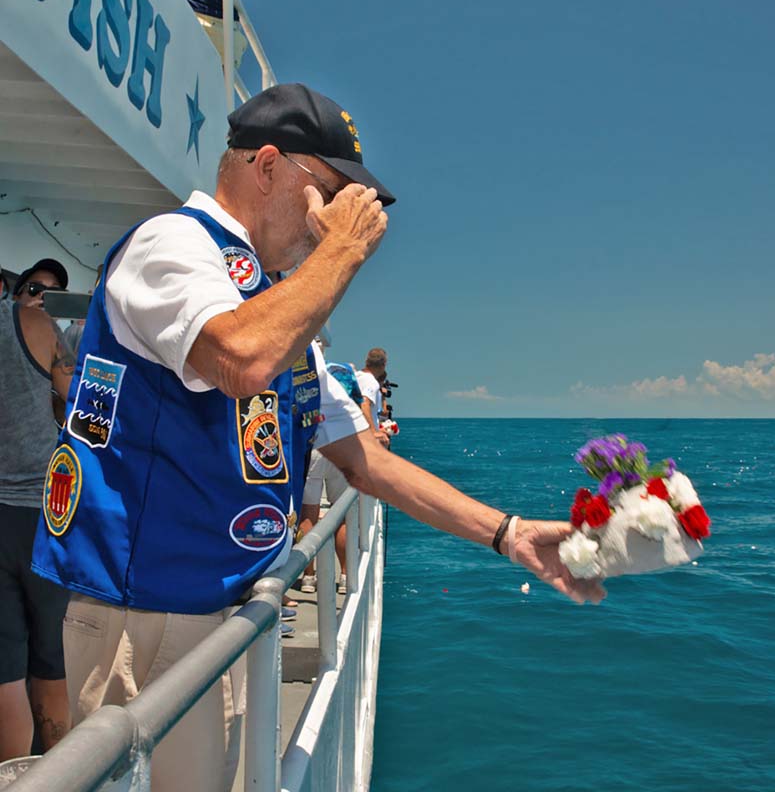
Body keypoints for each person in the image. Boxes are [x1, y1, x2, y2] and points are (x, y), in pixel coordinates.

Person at [31, 83, 602, 792]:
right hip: (145, 619)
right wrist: (343, 255)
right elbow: (237, 359)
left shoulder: (270, 302)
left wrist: (506, 532)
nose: (333, 219)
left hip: (217, 614)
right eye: (329, 192)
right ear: (268, 166)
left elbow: (365, 461)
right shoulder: (173, 243)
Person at [0, 278, 75, 760]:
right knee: (51, 658)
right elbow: (80, 403)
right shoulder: (35, 324)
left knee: (5, 672)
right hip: (40, 517)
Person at [298, 359, 364, 594]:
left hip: (314, 445)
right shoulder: (346, 375)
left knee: (308, 514)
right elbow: (359, 404)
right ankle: (345, 576)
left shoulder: (309, 377)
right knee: (342, 515)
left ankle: (308, 577)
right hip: (341, 444)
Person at [355, 347, 389, 447]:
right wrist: (374, 432)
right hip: (364, 438)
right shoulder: (372, 382)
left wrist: (377, 428)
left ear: (367, 361)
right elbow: (364, 403)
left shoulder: (357, 376)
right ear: (384, 364)